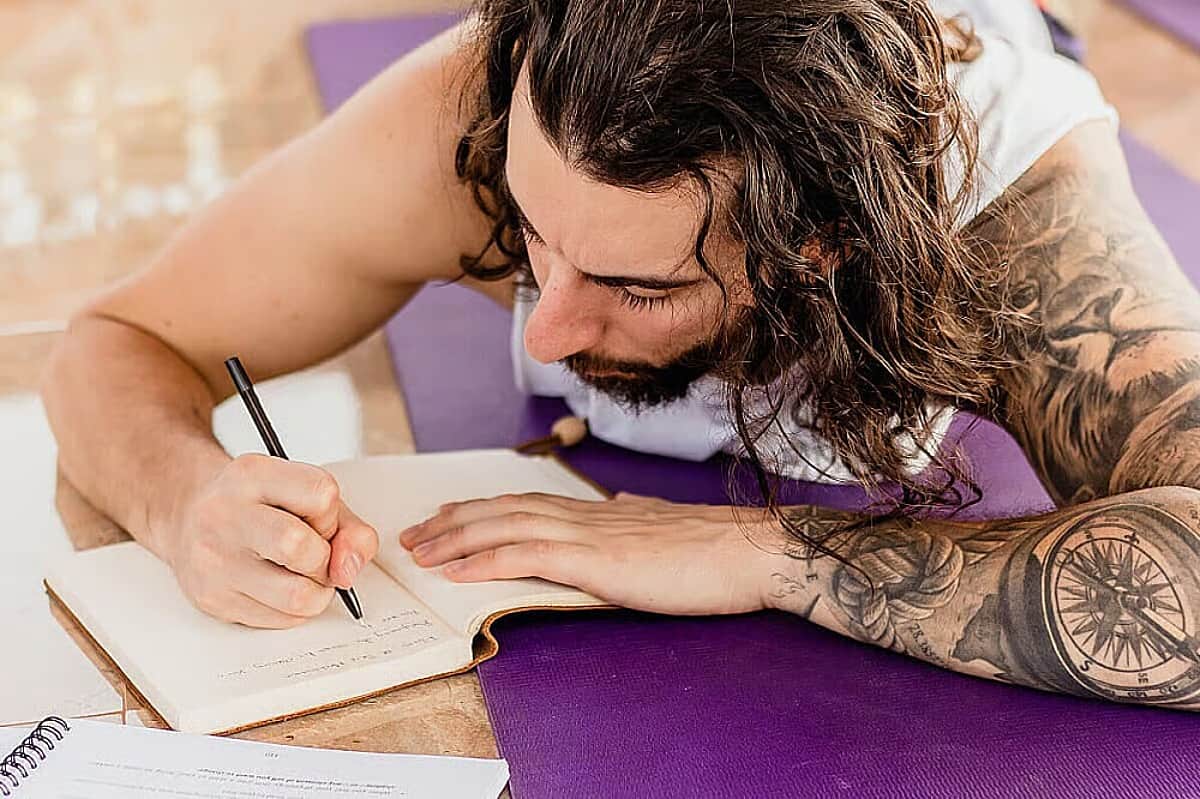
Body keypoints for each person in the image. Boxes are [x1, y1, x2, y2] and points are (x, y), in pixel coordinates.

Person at [42, 0, 1200, 708]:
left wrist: (775, 554)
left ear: (821, 244)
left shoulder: (1022, 213)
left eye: (639, 286)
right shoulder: (472, 117)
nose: (544, 327)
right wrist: (185, 496)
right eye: (528, 238)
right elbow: (115, 340)